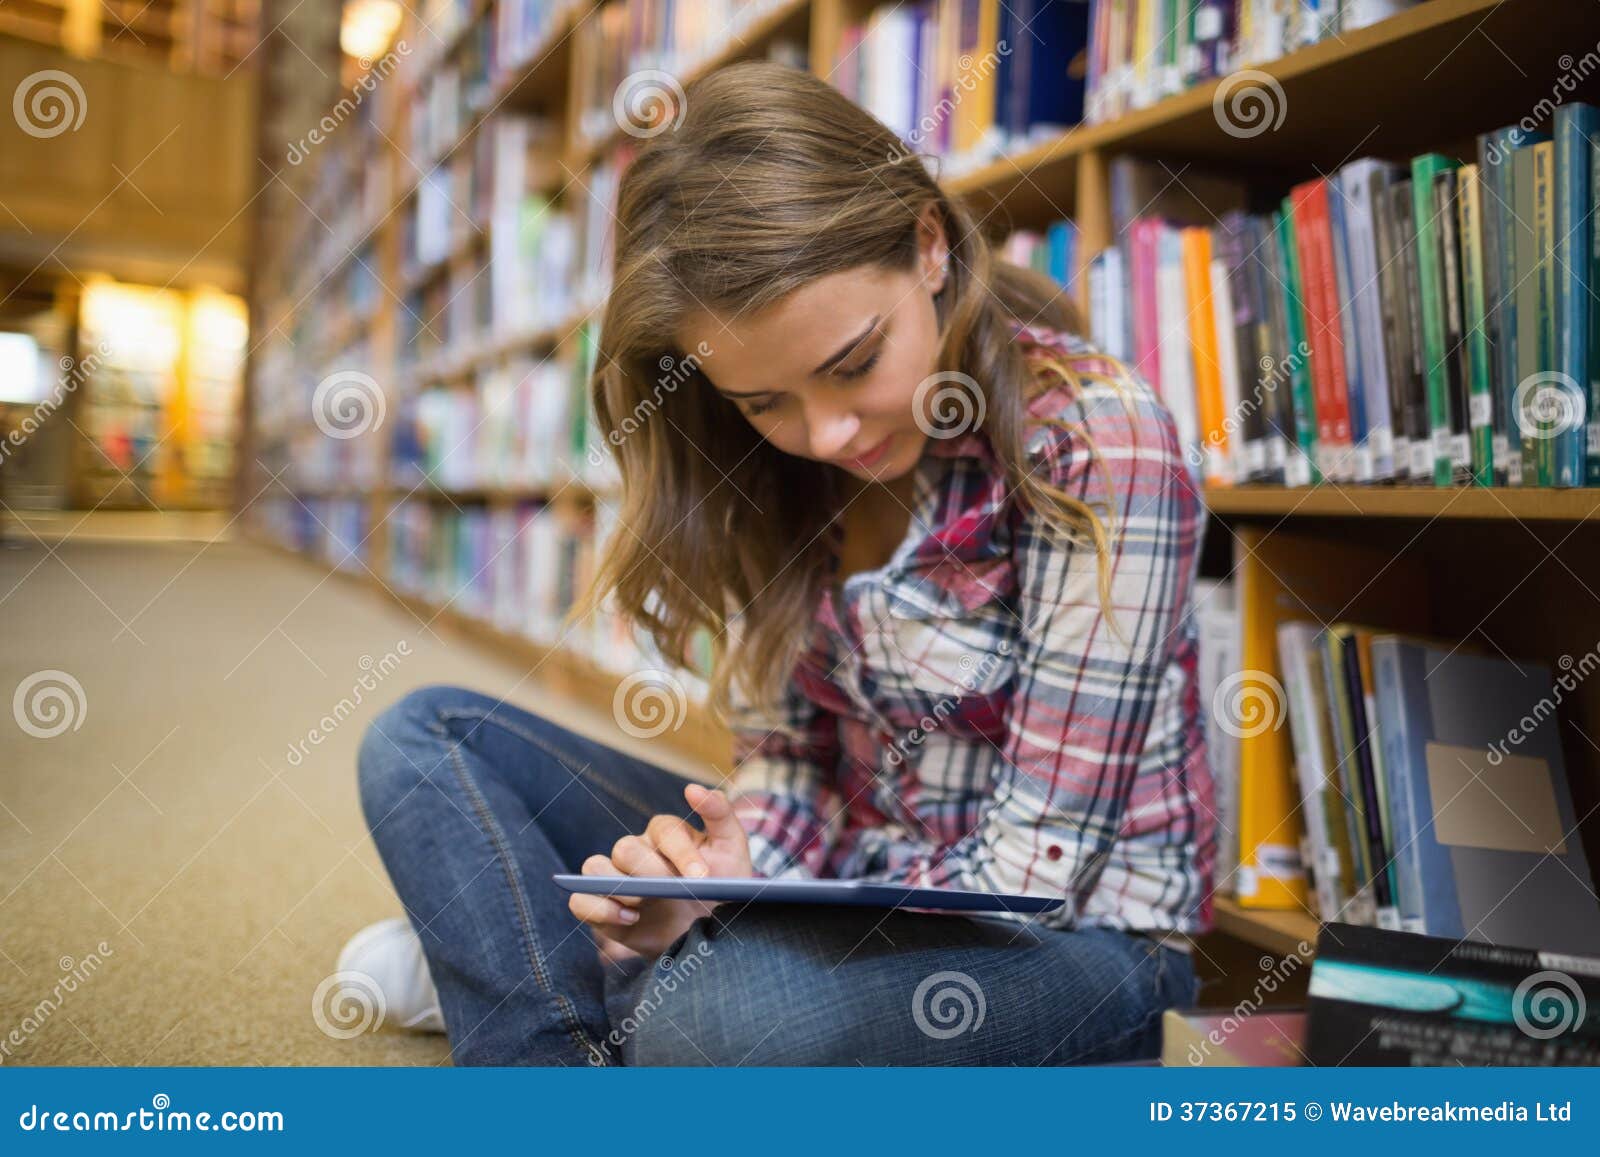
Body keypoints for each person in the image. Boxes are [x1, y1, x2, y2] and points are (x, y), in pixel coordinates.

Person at [343, 61, 1215, 1066]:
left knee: (715, 1028)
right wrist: (727, 865)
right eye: (766, 401)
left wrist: (731, 915)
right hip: (840, 879)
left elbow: (1035, 868)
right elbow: (791, 759)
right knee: (422, 736)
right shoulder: (768, 468)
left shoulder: (1100, 442)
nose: (829, 432)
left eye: (853, 363)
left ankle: (537, 975)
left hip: (1072, 939)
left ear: (929, 244)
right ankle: (551, 1055)